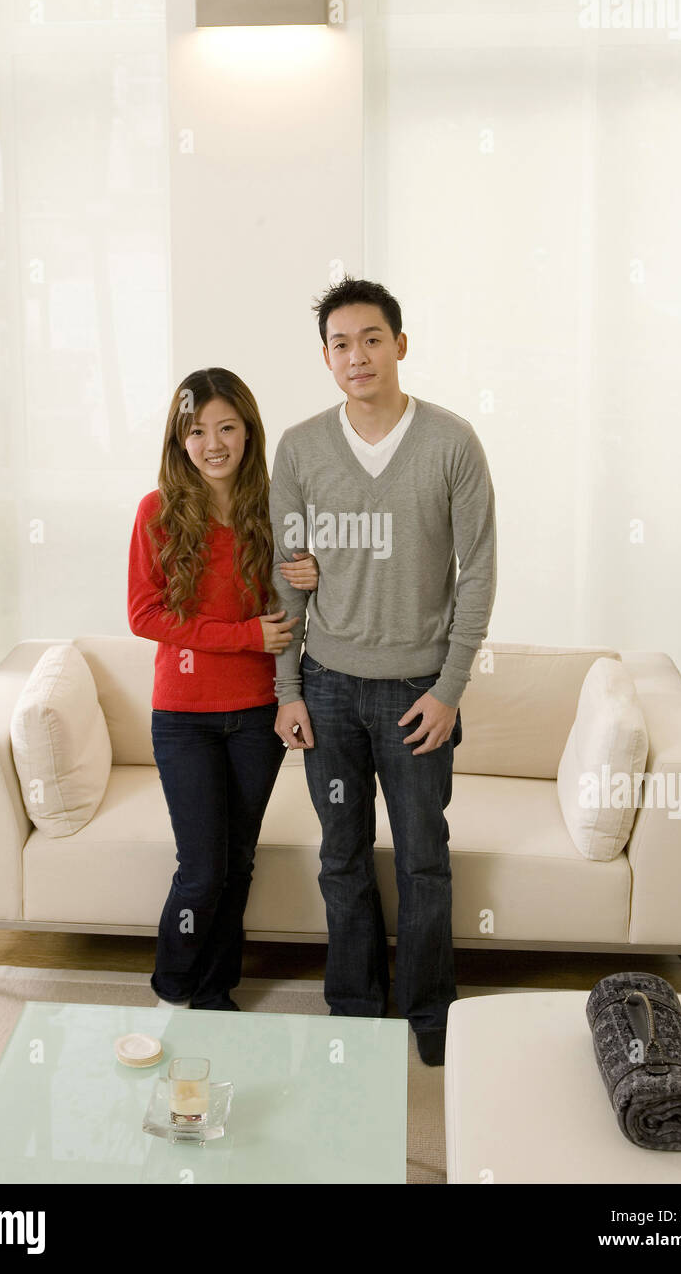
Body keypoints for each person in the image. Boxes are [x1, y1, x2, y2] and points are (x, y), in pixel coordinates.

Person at [268, 277, 497, 1065]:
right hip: (327, 687)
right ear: (325, 359)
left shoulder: (450, 442)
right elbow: (285, 569)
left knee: (424, 861)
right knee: (341, 857)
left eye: (371, 338)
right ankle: (355, 1015)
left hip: (415, 694)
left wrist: (448, 689)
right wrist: (288, 688)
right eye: (340, 343)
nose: (356, 355)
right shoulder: (299, 447)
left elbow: (479, 572)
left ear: (399, 344)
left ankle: (432, 1022)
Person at [128, 368, 319, 1009]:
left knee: (238, 862)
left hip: (256, 713)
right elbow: (145, 615)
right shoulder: (157, 512)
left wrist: (317, 572)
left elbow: (293, 602)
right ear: (180, 439)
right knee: (202, 869)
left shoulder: (273, 510)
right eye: (198, 430)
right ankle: (173, 988)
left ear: (248, 433)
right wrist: (242, 636)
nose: (213, 443)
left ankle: (216, 992)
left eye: (227, 428)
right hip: (184, 718)